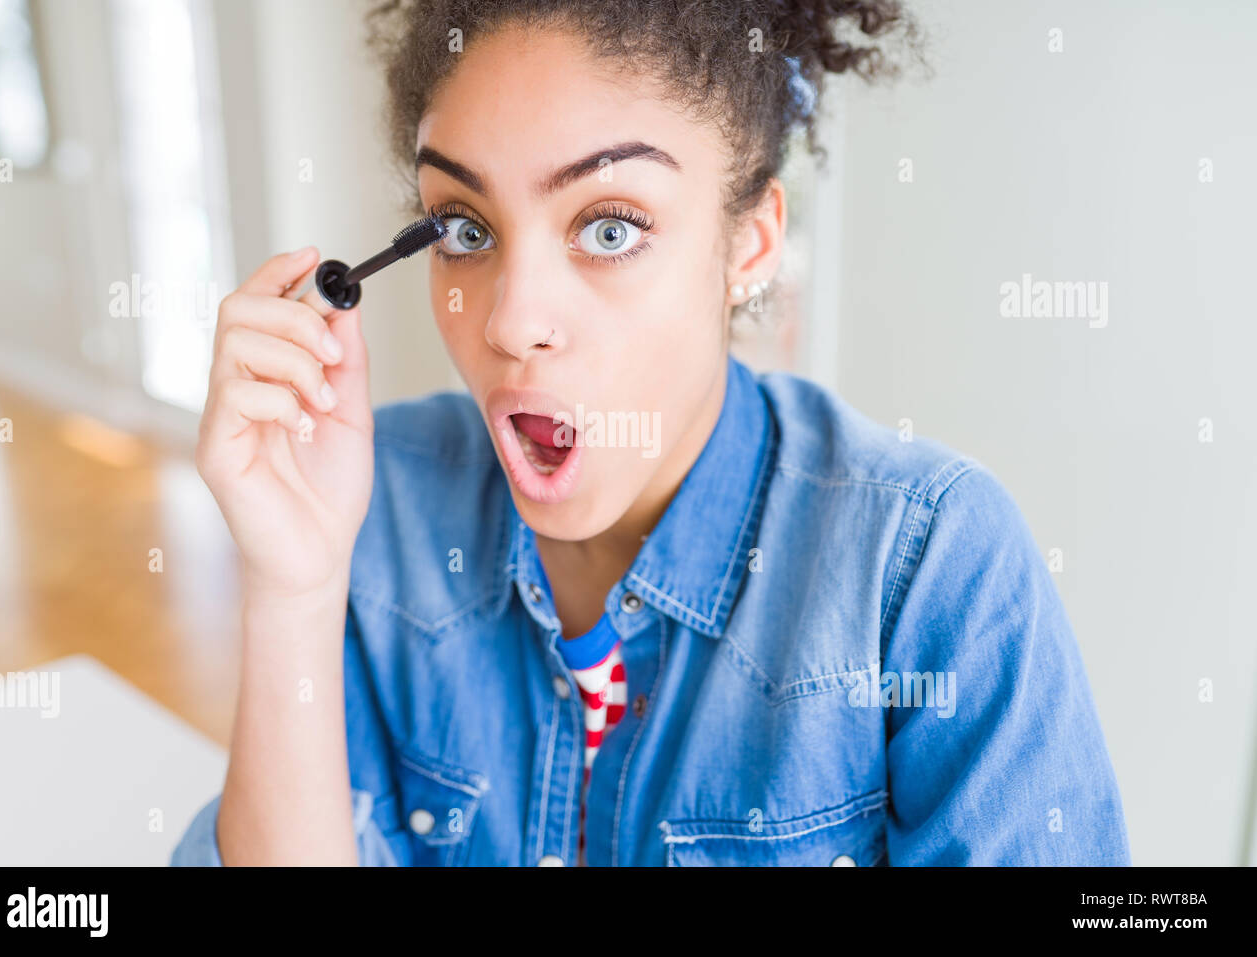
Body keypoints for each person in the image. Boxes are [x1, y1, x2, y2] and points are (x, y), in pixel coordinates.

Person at [172, 0, 1130, 866]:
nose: (511, 320)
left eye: (611, 227)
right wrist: (292, 588)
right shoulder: (374, 503)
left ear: (747, 245)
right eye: (465, 228)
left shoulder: (927, 564)